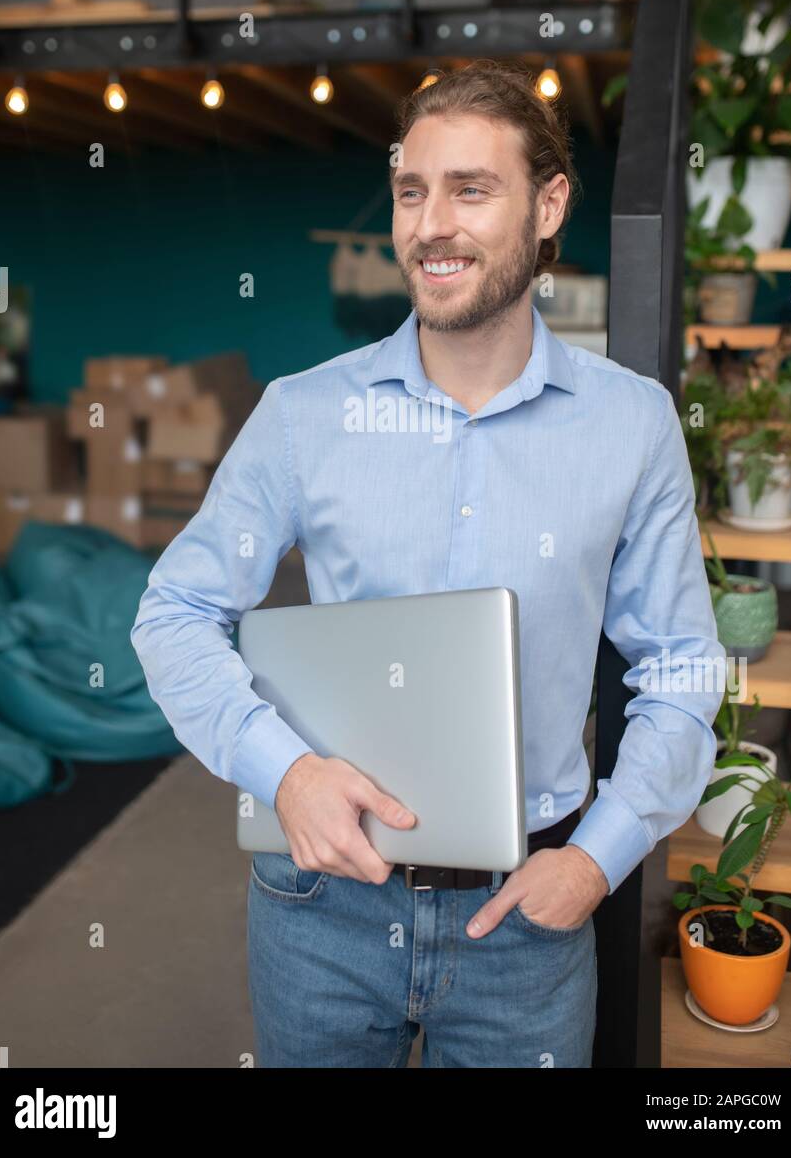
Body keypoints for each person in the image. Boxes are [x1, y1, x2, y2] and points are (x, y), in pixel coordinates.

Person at [131, 59, 723, 1068]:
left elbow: (679, 667)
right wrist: (283, 773)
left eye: (468, 189)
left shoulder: (630, 425)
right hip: (317, 905)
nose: (427, 224)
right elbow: (173, 612)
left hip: (526, 916)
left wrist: (595, 858)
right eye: (411, 191)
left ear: (548, 206)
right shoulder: (302, 413)